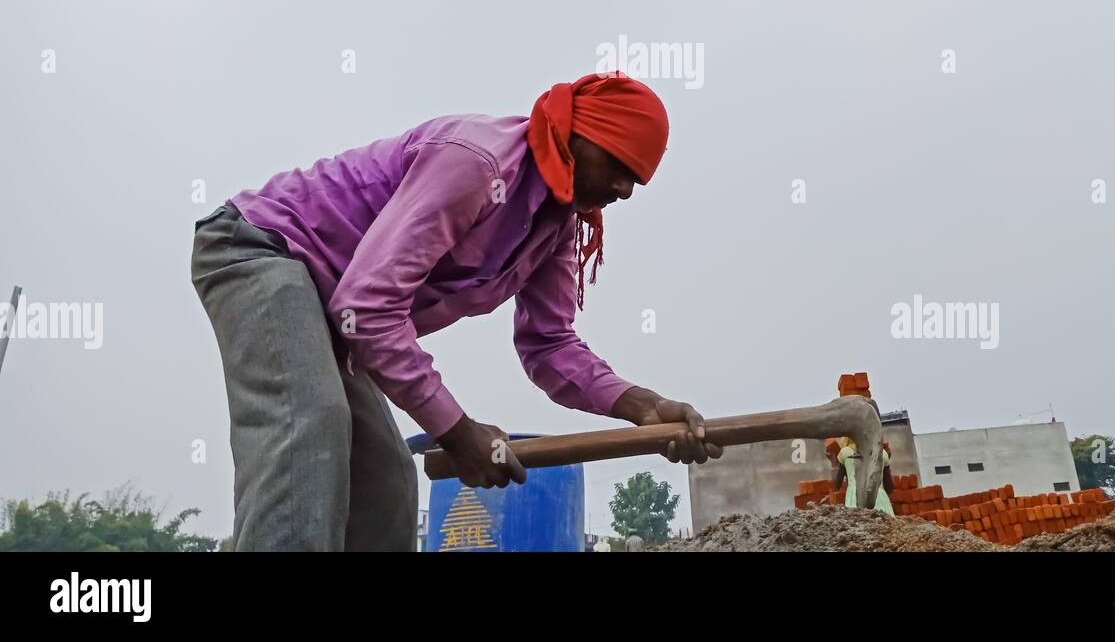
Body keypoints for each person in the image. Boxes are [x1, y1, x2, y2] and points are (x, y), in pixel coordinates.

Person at [191, 71, 722, 550]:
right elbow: (369, 305)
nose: (625, 190)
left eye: (637, 180)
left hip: (332, 310)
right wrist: (457, 429)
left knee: (385, 483)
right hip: (261, 248)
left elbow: (549, 344)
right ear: (581, 136)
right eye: (620, 166)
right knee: (310, 430)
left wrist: (642, 407)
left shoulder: (555, 226)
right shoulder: (477, 163)